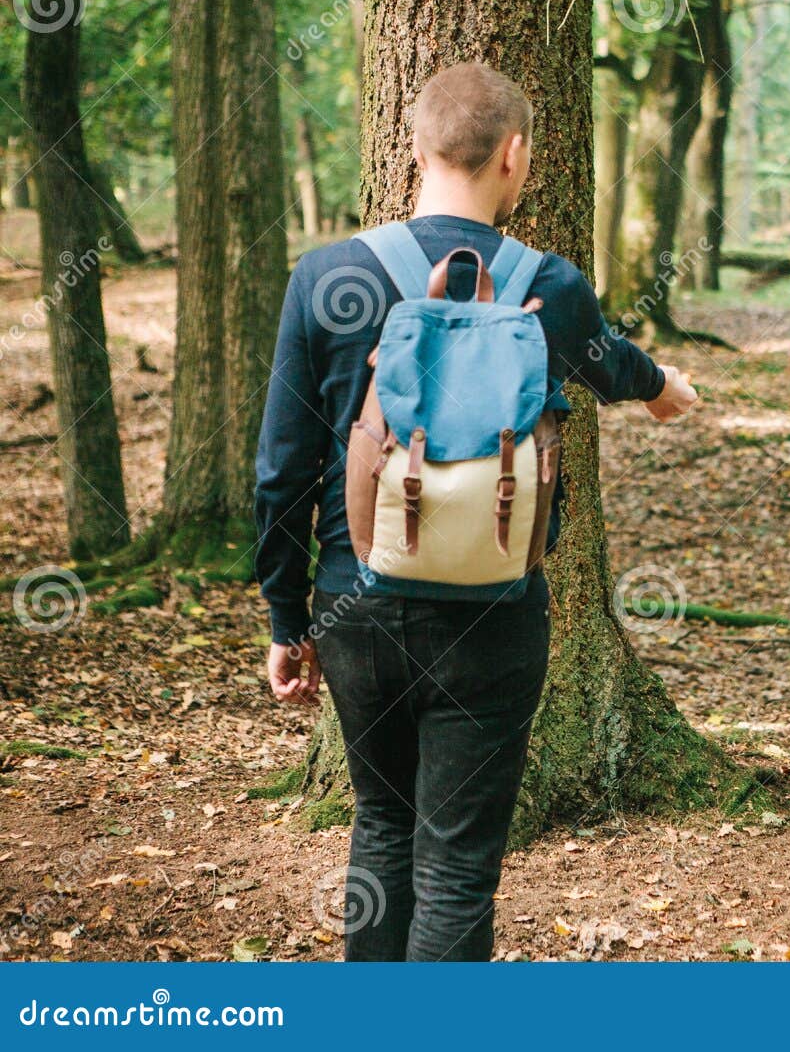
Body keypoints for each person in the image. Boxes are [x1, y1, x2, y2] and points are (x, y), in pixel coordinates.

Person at [253, 62, 697, 961]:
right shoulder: (551, 287)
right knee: (456, 867)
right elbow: (612, 364)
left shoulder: (329, 276)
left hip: (358, 603)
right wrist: (664, 389)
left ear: (412, 147)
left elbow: (282, 470)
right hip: (493, 611)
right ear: (516, 154)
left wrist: (287, 617)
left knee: (380, 828)